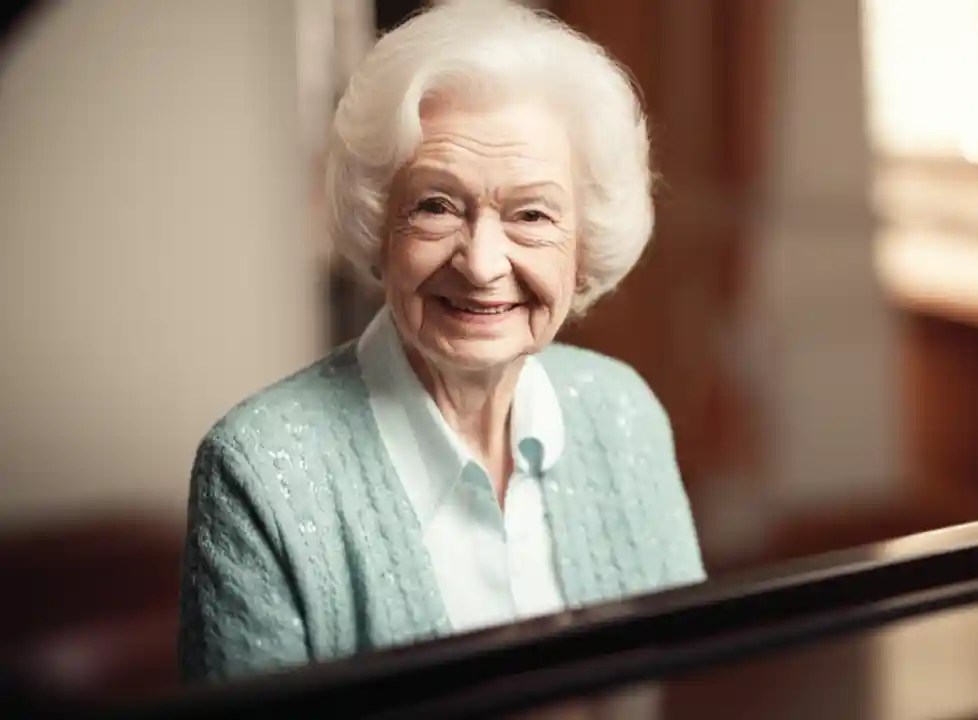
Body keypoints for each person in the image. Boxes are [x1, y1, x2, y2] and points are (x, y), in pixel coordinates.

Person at [178, 0, 705, 682]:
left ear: (583, 250)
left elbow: (691, 687)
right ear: (379, 229)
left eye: (532, 214)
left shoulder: (622, 413)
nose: (482, 265)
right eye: (436, 206)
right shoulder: (258, 470)